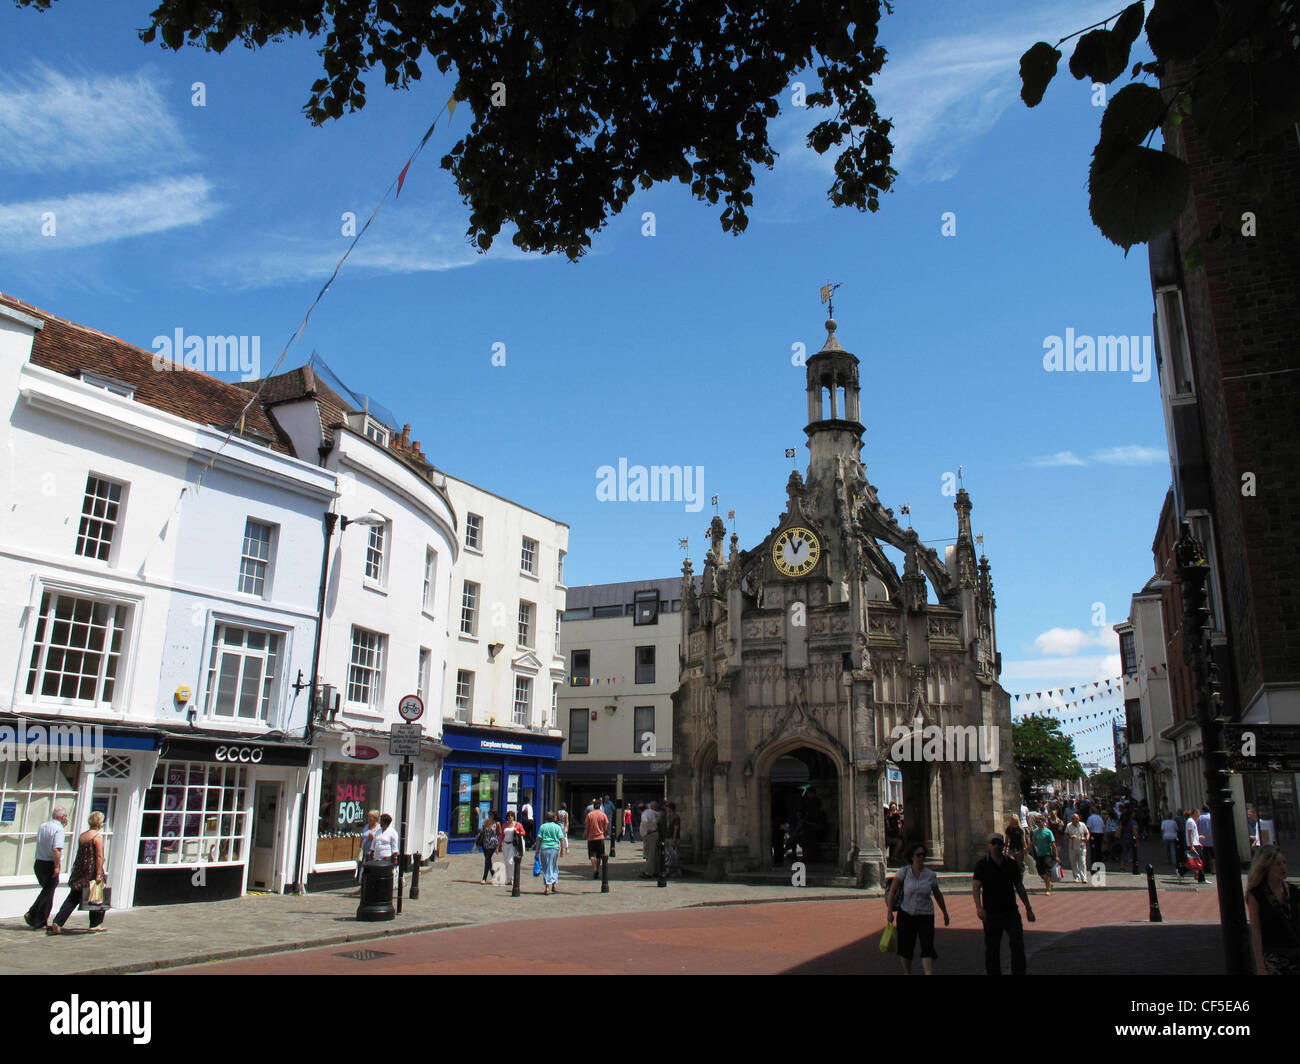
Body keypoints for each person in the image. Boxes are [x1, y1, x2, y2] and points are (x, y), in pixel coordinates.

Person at [972, 833, 1035, 974]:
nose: (996, 846)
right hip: (991, 913)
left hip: (1011, 911)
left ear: (1003, 845)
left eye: (999, 843)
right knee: (992, 948)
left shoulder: (1011, 864)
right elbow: (976, 886)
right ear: (988, 845)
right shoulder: (982, 865)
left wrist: (1028, 908)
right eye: (993, 843)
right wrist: (978, 907)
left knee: (1017, 944)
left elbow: (1019, 886)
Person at [885, 844, 950, 975]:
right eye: (918, 855)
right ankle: (907, 972)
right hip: (906, 914)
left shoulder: (930, 875)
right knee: (905, 947)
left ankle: (928, 973)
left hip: (926, 915)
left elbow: (937, 894)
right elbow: (892, 892)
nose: (921, 858)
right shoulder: (903, 872)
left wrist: (945, 912)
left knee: (927, 945)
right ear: (911, 857)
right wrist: (889, 912)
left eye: (923, 855)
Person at [47, 811, 107, 934]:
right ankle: (95, 923)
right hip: (92, 871)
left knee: (73, 897)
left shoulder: (83, 836)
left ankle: (58, 921)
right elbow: (99, 856)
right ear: (99, 823)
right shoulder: (97, 837)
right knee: (97, 896)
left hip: (80, 870)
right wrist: (99, 873)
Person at [1246, 846, 1300, 975]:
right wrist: (1260, 966)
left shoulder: (1293, 891)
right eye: (1277, 864)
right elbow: (1256, 931)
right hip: (1273, 956)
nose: (1283, 868)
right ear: (1267, 867)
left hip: (1296, 953)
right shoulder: (1257, 894)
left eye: (1284, 863)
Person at [24, 806, 68, 930]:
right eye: (66, 816)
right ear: (63, 817)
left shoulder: (43, 826)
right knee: (48, 891)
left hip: (39, 863)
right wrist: (57, 866)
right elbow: (56, 849)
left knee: (48, 892)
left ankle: (40, 920)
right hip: (49, 863)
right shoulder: (59, 830)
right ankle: (32, 914)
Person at [537, 811, 565, 895]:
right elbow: (561, 839)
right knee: (553, 866)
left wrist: (537, 850)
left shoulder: (542, 827)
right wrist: (562, 850)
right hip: (554, 848)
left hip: (544, 848)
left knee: (546, 867)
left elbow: (539, 839)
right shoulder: (557, 827)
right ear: (554, 818)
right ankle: (553, 885)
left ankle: (547, 886)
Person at [1030, 815, 1059, 894]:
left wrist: (1056, 856)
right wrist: (1027, 849)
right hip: (1039, 854)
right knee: (1040, 872)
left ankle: (1048, 889)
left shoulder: (1048, 832)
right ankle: (1049, 883)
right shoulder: (1036, 832)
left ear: (1043, 822)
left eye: (1039, 822)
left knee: (1047, 871)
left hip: (1047, 854)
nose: (1038, 823)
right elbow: (1033, 842)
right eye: (1037, 822)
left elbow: (1053, 844)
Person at [584, 799, 609, 879]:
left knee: (591, 855)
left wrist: (586, 834)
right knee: (599, 855)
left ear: (594, 806)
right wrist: (604, 832)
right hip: (600, 837)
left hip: (591, 838)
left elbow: (587, 827)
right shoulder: (603, 815)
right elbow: (606, 827)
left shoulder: (589, 815)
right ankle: (597, 868)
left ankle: (594, 869)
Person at [500, 810, 526, 886]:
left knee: (510, 861)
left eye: (511, 816)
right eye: (508, 816)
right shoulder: (504, 825)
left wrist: (518, 832)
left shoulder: (517, 824)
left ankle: (513, 878)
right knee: (506, 862)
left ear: (514, 817)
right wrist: (499, 845)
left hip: (513, 845)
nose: (510, 817)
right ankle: (508, 879)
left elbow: (524, 833)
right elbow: (501, 835)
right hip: (505, 844)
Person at [476, 811, 500, 884]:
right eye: (489, 814)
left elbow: (499, 834)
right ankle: (494, 876)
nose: (490, 816)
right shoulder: (486, 822)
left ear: (494, 816)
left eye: (492, 815)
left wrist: (498, 846)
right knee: (488, 860)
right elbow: (482, 831)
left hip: (493, 843)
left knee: (487, 860)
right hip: (485, 843)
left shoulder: (497, 823)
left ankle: (484, 878)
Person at [640, 800, 662, 878]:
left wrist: (647, 828)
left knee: (650, 854)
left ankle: (648, 872)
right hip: (656, 833)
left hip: (650, 834)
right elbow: (659, 817)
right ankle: (656, 871)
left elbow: (645, 820)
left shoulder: (646, 812)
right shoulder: (657, 813)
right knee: (655, 854)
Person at [1066, 813, 1090, 882]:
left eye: (1076, 819)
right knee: (1073, 862)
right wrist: (1070, 837)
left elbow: (1087, 833)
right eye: (1073, 819)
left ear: (1079, 818)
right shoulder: (1069, 826)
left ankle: (1084, 878)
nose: (1075, 820)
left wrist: (1086, 839)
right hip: (1072, 847)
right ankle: (1076, 877)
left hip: (1081, 846)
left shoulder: (1082, 825)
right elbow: (1066, 834)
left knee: (1082, 862)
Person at [1184, 809, 1205, 883]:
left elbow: (1193, 834)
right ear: (1194, 813)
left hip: (1196, 843)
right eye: (1198, 814)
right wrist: (1191, 845)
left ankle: (1182, 871)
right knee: (1199, 860)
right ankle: (1201, 878)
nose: (1198, 816)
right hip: (1194, 844)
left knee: (1197, 861)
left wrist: (1199, 838)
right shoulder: (1190, 821)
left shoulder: (1192, 821)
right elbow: (1189, 834)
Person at [663, 801, 682, 877]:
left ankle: (676, 871)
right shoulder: (669, 816)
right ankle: (669, 870)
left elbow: (676, 828)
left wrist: (674, 839)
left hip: (673, 838)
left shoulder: (676, 817)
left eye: (667, 807)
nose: (667, 809)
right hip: (668, 837)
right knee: (668, 855)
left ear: (670, 808)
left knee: (674, 855)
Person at [1197, 803, 1215, 875]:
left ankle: (1205, 868)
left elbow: (1196, 827)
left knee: (1204, 855)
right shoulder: (1212, 816)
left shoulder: (1200, 818)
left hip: (1203, 840)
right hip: (1212, 838)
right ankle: (1214, 869)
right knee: (1213, 855)